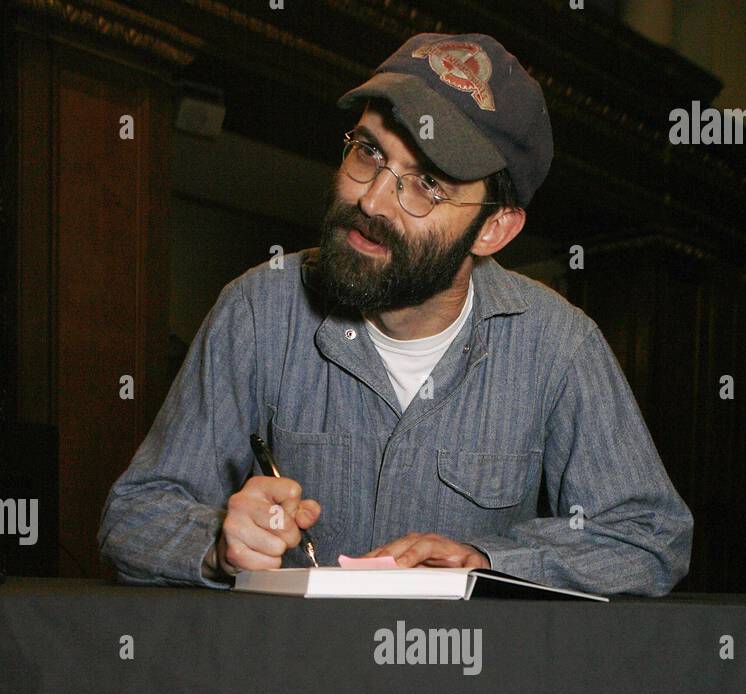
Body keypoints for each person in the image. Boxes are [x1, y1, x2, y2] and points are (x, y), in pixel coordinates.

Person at [98, 32, 693, 593]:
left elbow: (650, 538)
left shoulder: (560, 347)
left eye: (428, 184)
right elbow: (133, 517)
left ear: (494, 228)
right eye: (367, 152)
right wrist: (218, 546)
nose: (373, 199)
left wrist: (490, 562)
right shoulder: (257, 311)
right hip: (290, 683)